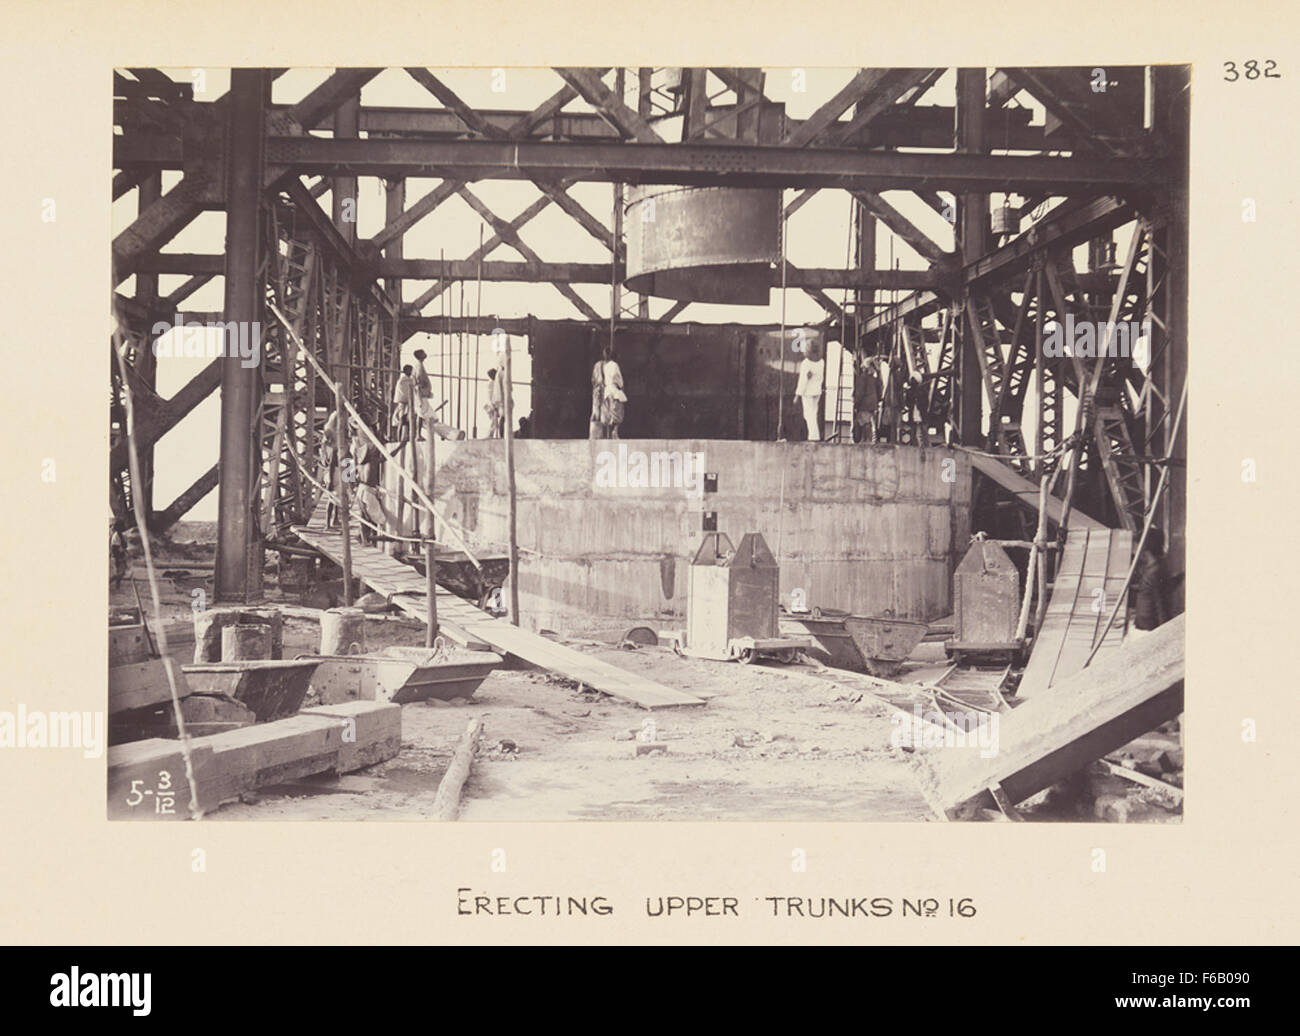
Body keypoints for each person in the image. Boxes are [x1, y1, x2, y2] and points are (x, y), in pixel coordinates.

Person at [793, 338, 825, 442]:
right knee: (813, 413)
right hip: (817, 391)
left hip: (807, 392)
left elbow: (803, 380)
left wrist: (797, 395)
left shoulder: (806, 363)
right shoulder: (821, 362)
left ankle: (813, 437)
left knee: (808, 415)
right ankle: (814, 435)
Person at [852, 353, 881, 443]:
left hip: (864, 405)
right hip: (872, 405)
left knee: (863, 424)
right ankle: (871, 441)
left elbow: (859, 393)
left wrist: (856, 404)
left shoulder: (862, 379)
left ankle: (865, 441)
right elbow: (880, 392)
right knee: (870, 423)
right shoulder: (875, 380)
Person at [599, 345, 626, 439]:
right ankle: (614, 431)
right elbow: (617, 377)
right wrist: (621, 386)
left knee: (609, 413)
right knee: (616, 412)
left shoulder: (604, 366)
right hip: (613, 390)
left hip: (607, 391)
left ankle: (609, 434)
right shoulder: (614, 365)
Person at [391, 364, 414, 442]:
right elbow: (404, 392)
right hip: (403, 402)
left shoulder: (406, 379)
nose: (412, 372)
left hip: (406, 402)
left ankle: (404, 437)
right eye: (411, 370)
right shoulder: (405, 380)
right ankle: (399, 438)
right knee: (402, 419)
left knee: (406, 420)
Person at [484, 368, 505, 438]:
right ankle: (491, 434)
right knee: (494, 420)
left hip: (499, 403)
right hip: (492, 404)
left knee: (501, 419)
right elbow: (489, 396)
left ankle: (500, 435)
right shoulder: (490, 384)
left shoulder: (498, 381)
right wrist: (493, 406)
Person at [589, 353, 606, 439]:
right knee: (598, 414)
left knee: (597, 414)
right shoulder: (600, 365)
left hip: (600, 390)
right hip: (600, 392)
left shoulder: (598, 365)